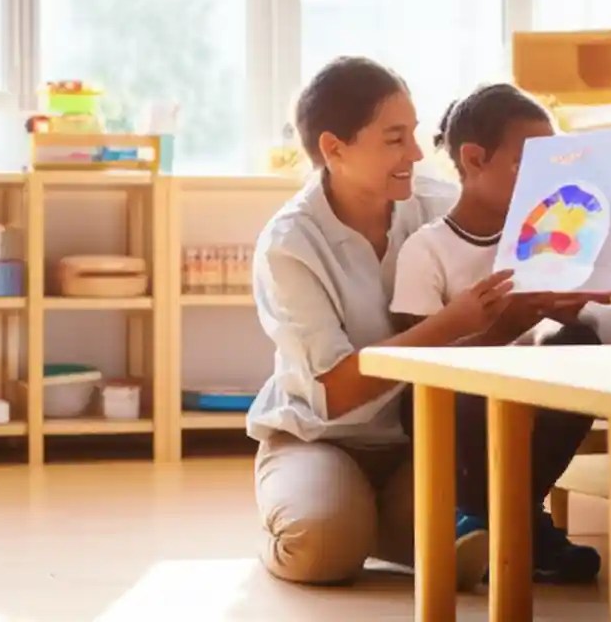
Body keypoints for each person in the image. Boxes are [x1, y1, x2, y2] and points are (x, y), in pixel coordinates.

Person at [247, 57, 582, 589]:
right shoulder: (290, 244)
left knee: (472, 539)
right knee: (322, 549)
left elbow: (523, 262)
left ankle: (377, 523)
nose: (418, 153)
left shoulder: (439, 207)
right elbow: (334, 392)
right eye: (395, 139)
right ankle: (315, 514)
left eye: (416, 135)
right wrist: (451, 323)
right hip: (323, 438)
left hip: (423, 439)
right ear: (334, 149)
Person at [391, 82, 611, 594]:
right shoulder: (426, 251)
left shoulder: (553, 236)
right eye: (529, 164)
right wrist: (508, 323)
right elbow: (417, 370)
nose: (547, 180)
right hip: (453, 411)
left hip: (532, 402)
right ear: (474, 159)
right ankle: (485, 522)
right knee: (473, 387)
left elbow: (582, 321)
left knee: (587, 343)